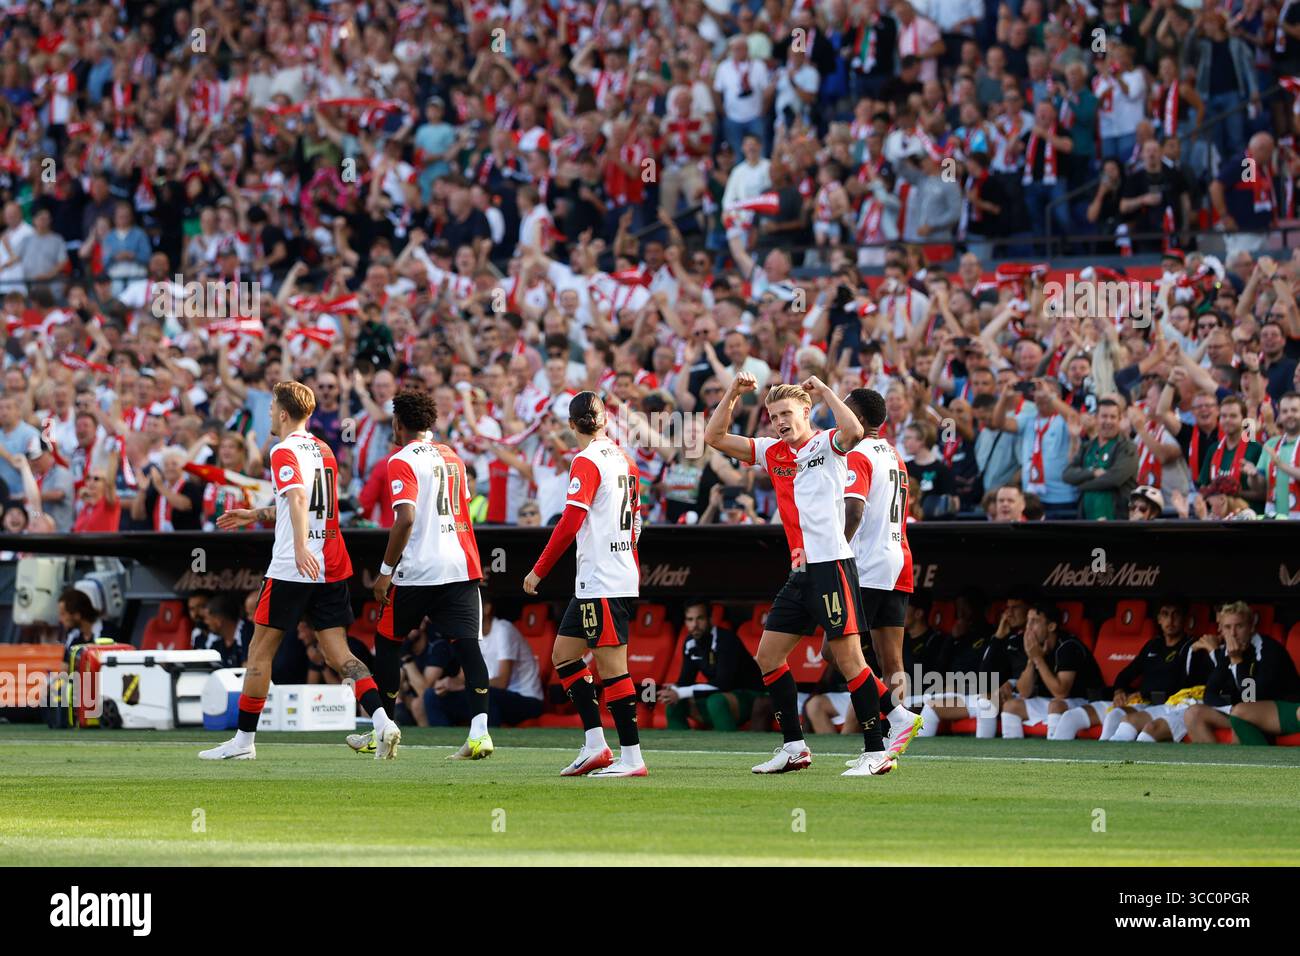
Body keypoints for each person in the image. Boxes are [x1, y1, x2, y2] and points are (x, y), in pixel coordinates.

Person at [705, 372, 894, 778]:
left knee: (850, 661)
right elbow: (715, 437)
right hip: (801, 572)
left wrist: (825, 390)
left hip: (832, 566)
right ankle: (794, 747)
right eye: (774, 416)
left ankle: (877, 751)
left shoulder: (827, 444)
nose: (779, 422)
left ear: (806, 412)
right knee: (768, 656)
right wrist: (733, 394)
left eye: (786, 413)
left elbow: (854, 429)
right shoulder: (772, 452)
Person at [200, 382, 395, 762]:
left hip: (294, 564)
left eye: (272, 407)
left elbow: (300, 498)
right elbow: (309, 503)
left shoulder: (283, 449)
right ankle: (383, 722)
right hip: (332, 564)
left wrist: (302, 545)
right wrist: (256, 513)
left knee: (259, 651)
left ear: (284, 413)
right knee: (339, 655)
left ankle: (243, 742)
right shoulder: (323, 450)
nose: (270, 414)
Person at [354, 389, 488, 760]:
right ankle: (480, 733)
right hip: (460, 566)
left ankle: (385, 728)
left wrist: (384, 572)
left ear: (398, 423)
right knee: (468, 646)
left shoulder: (400, 460)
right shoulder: (453, 458)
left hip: (418, 570)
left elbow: (406, 518)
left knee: (387, 640)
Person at [524, 391, 646, 778]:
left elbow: (570, 522)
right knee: (564, 654)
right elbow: (638, 522)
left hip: (602, 580)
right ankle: (596, 745)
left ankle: (632, 758)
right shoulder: (625, 460)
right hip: (611, 576)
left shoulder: (587, 460)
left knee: (613, 668)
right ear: (605, 420)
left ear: (572, 425)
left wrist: (538, 570)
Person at [842, 388, 923, 759]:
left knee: (838, 651)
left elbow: (854, 513)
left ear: (857, 418)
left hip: (870, 561)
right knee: (892, 659)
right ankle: (896, 732)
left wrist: (836, 550)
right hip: (899, 556)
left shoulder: (858, 454)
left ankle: (892, 720)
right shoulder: (894, 453)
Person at [1183, 602, 1300, 744]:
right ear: (1221, 630)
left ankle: (1248, 763)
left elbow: (1251, 697)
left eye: (1239, 626)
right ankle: (1215, 764)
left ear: (1251, 627)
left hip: (1278, 713)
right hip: (1241, 712)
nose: (1233, 633)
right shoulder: (1227, 651)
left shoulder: (1269, 649)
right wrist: (1230, 709)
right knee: (1193, 714)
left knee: (1242, 715)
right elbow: (1210, 693)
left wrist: (1236, 661)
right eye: (1227, 627)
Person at [998, 602, 1104, 739]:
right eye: (1028, 622)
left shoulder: (1068, 646)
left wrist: (1038, 660)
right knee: (1011, 706)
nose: (1028, 628)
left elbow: (1061, 692)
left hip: (1086, 703)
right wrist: (1032, 660)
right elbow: (1024, 692)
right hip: (1052, 702)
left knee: (1056, 705)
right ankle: (1012, 757)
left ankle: (1054, 756)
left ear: (1051, 626)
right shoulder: (1035, 646)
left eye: (1034, 622)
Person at [661, 601, 765, 731]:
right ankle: (679, 748)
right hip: (721, 696)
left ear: (710, 619)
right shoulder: (690, 643)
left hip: (752, 696)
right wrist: (673, 690)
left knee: (716, 701)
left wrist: (681, 692)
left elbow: (723, 684)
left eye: (700, 618)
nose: (695, 625)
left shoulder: (726, 639)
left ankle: (729, 745)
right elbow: (685, 681)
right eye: (690, 619)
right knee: (673, 702)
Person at [1062, 397, 1138, 519]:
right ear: (1096, 418)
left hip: (1116, 520)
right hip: (1087, 518)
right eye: (1104, 416)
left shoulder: (1127, 447)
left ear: (1119, 420)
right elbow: (1067, 474)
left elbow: (1114, 479)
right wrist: (1093, 473)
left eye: (1113, 417)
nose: (1108, 421)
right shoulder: (1087, 447)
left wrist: (1082, 486)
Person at [199, 593, 249, 668]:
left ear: (218, 619)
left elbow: (248, 667)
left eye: (207, 618)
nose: (206, 622)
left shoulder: (246, 632)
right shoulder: (214, 640)